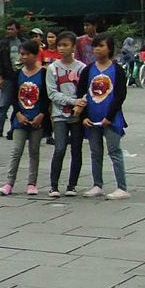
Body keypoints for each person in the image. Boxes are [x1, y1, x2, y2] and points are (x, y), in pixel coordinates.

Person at [79, 34, 129, 200]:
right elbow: (81, 94)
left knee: (114, 151)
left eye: (101, 46)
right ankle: (97, 185)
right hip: (92, 119)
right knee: (95, 152)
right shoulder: (88, 70)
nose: (97, 49)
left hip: (111, 119)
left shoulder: (117, 70)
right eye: (95, 46)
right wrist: (83, 116)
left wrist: (110, 116)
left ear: (109, 48)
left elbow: (120, 95)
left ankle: (121, 187)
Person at [0, 41, 48, 196]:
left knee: (34, 151)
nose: (24, 57)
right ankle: (9, 182)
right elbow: (13, 96)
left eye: (27, 54)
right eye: (22, 54)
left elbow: (46, 97)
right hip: (20, 118)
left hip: (37, 117)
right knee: (16, 150)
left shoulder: (44, 74)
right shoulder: (18, 74)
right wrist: (18, 113)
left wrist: (42, 114)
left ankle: (32, 183)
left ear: (35, 55)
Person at [47, 31, 85, 198]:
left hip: (77, 115)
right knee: (60, 148)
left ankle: (72, 185)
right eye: (59, 45)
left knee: (76, 149)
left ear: (73, 47)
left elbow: (86, 90)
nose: (61, 48)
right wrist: (73, 101)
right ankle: (53, 185)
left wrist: (80, 104)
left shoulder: (82, 68)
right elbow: (52, 93)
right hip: (59, 114)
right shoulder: (53, 68)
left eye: (65, 45)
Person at [0, 21, 26, 139]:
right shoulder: (3, 43)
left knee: (20, 104)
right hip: (7, 76)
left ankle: (15, 128)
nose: (9, 31)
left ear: (17, 30)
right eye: (8, 29)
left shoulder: (24, 42)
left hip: (21, 76)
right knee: (3, 104)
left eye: (12, 29)